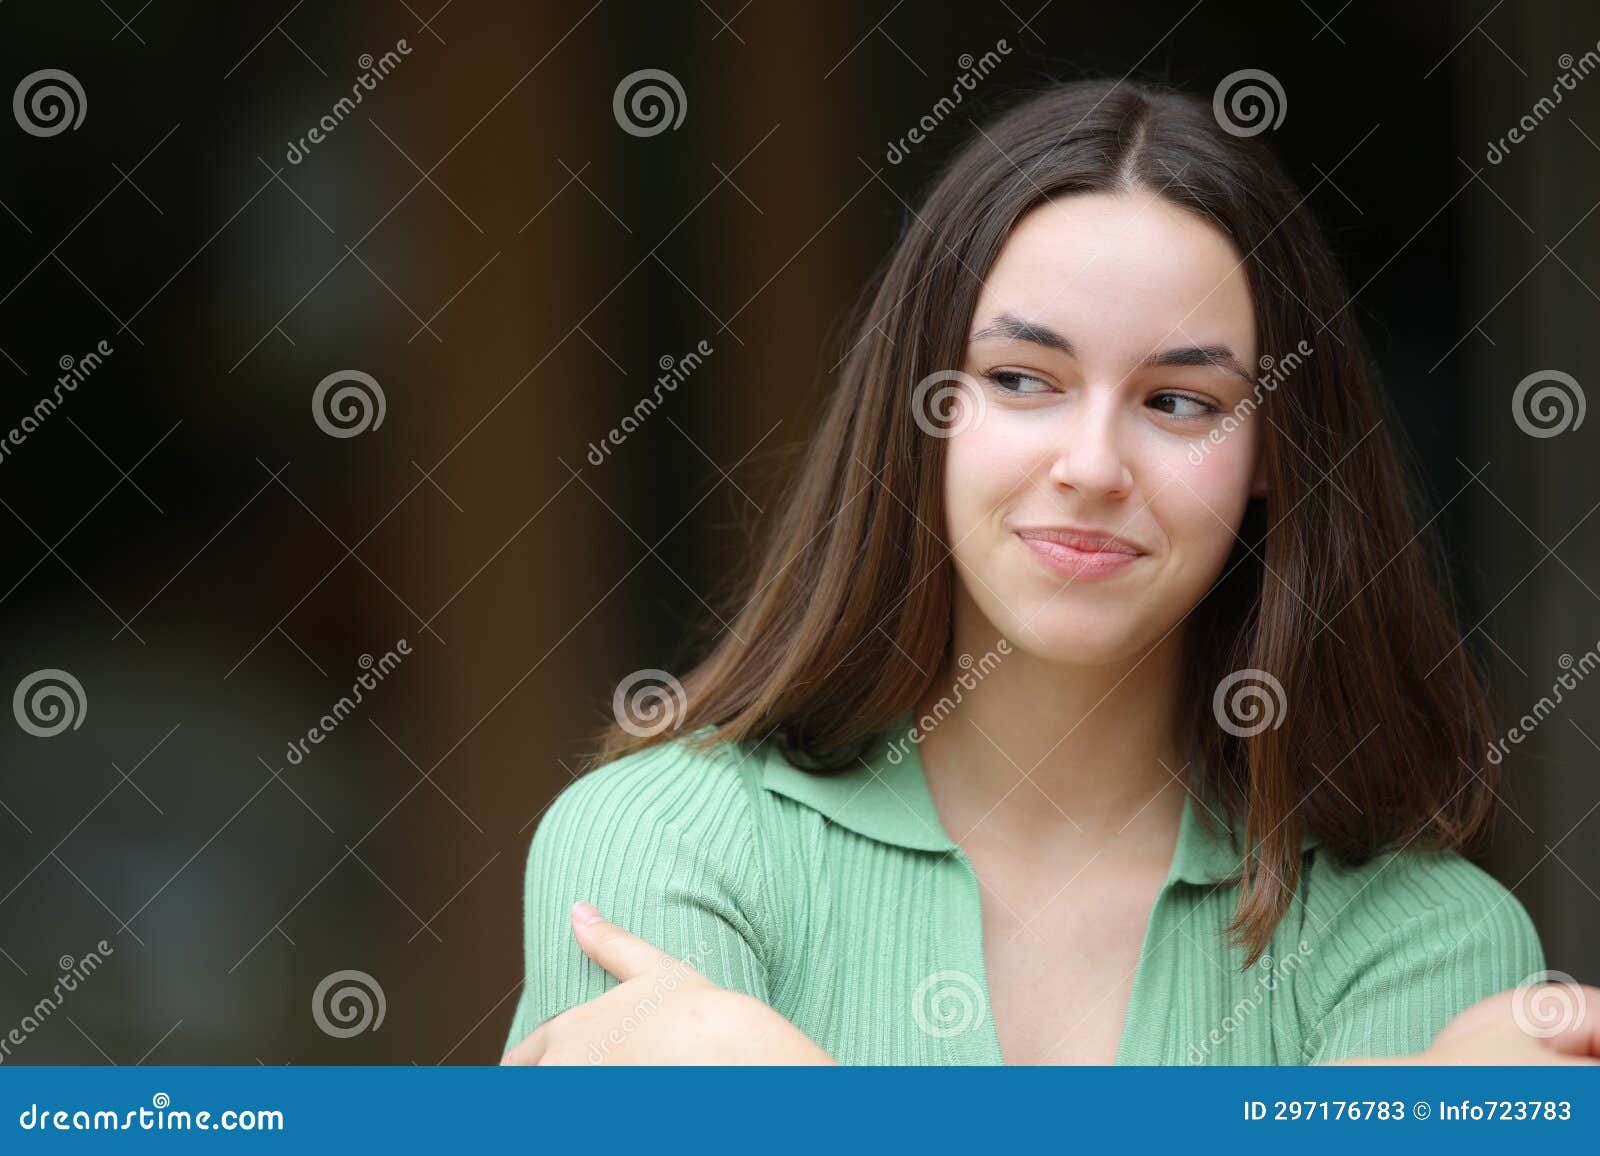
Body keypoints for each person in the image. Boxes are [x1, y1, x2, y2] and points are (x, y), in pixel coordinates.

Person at [501, 77, 1597, 1065]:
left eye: (1179, 401)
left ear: (1275, 456)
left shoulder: (1420, 942)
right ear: (920, 410)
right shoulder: (667, 844)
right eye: (1024, 378)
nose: (1092, 466)